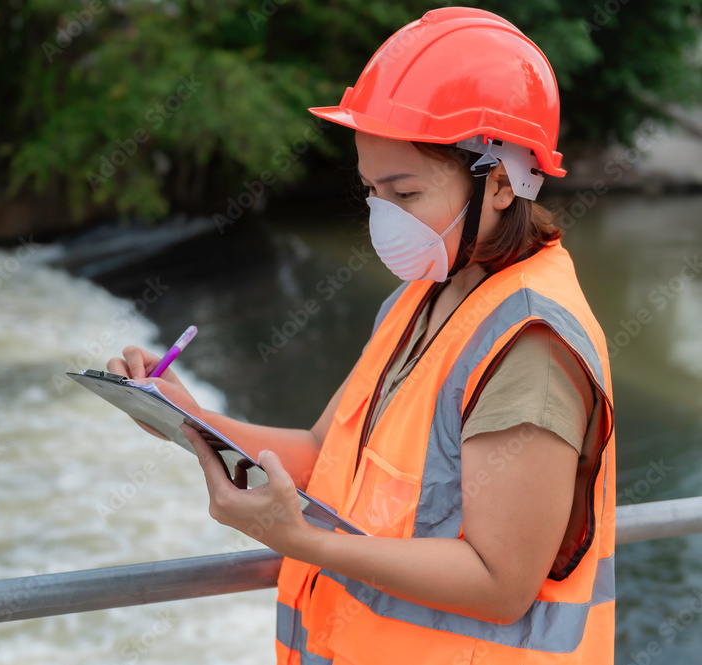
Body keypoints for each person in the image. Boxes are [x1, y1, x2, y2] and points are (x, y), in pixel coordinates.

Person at [107, 7, 615, 664]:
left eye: (404, 194)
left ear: (499, 183)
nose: (383, 219)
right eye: (372, 191)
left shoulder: (530, 345)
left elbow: (501, 583)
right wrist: (193, 419)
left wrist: (303, 540)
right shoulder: (423, 295)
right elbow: (324, 453)